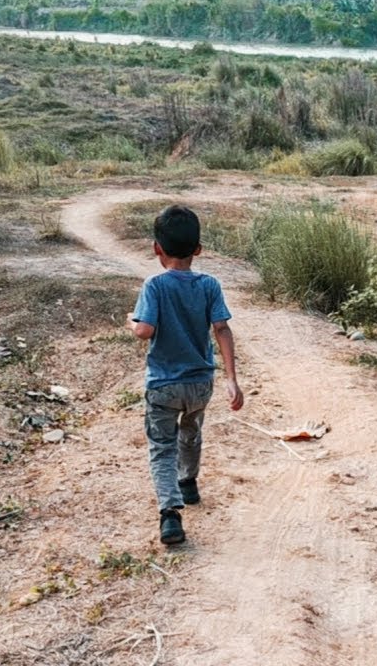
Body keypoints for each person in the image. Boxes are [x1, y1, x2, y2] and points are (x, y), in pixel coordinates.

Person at [127, 205, 244, 545]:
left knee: (162, 447)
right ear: (198, 249)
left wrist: (130, 322)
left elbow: (144, 331)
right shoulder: (210, 285)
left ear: (156, 249)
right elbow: (221, 329)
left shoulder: (155, 285)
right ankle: (188, 483)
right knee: (191, 431)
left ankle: (170, 516)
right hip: (200, 384)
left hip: (163, 385)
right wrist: (231, 379)